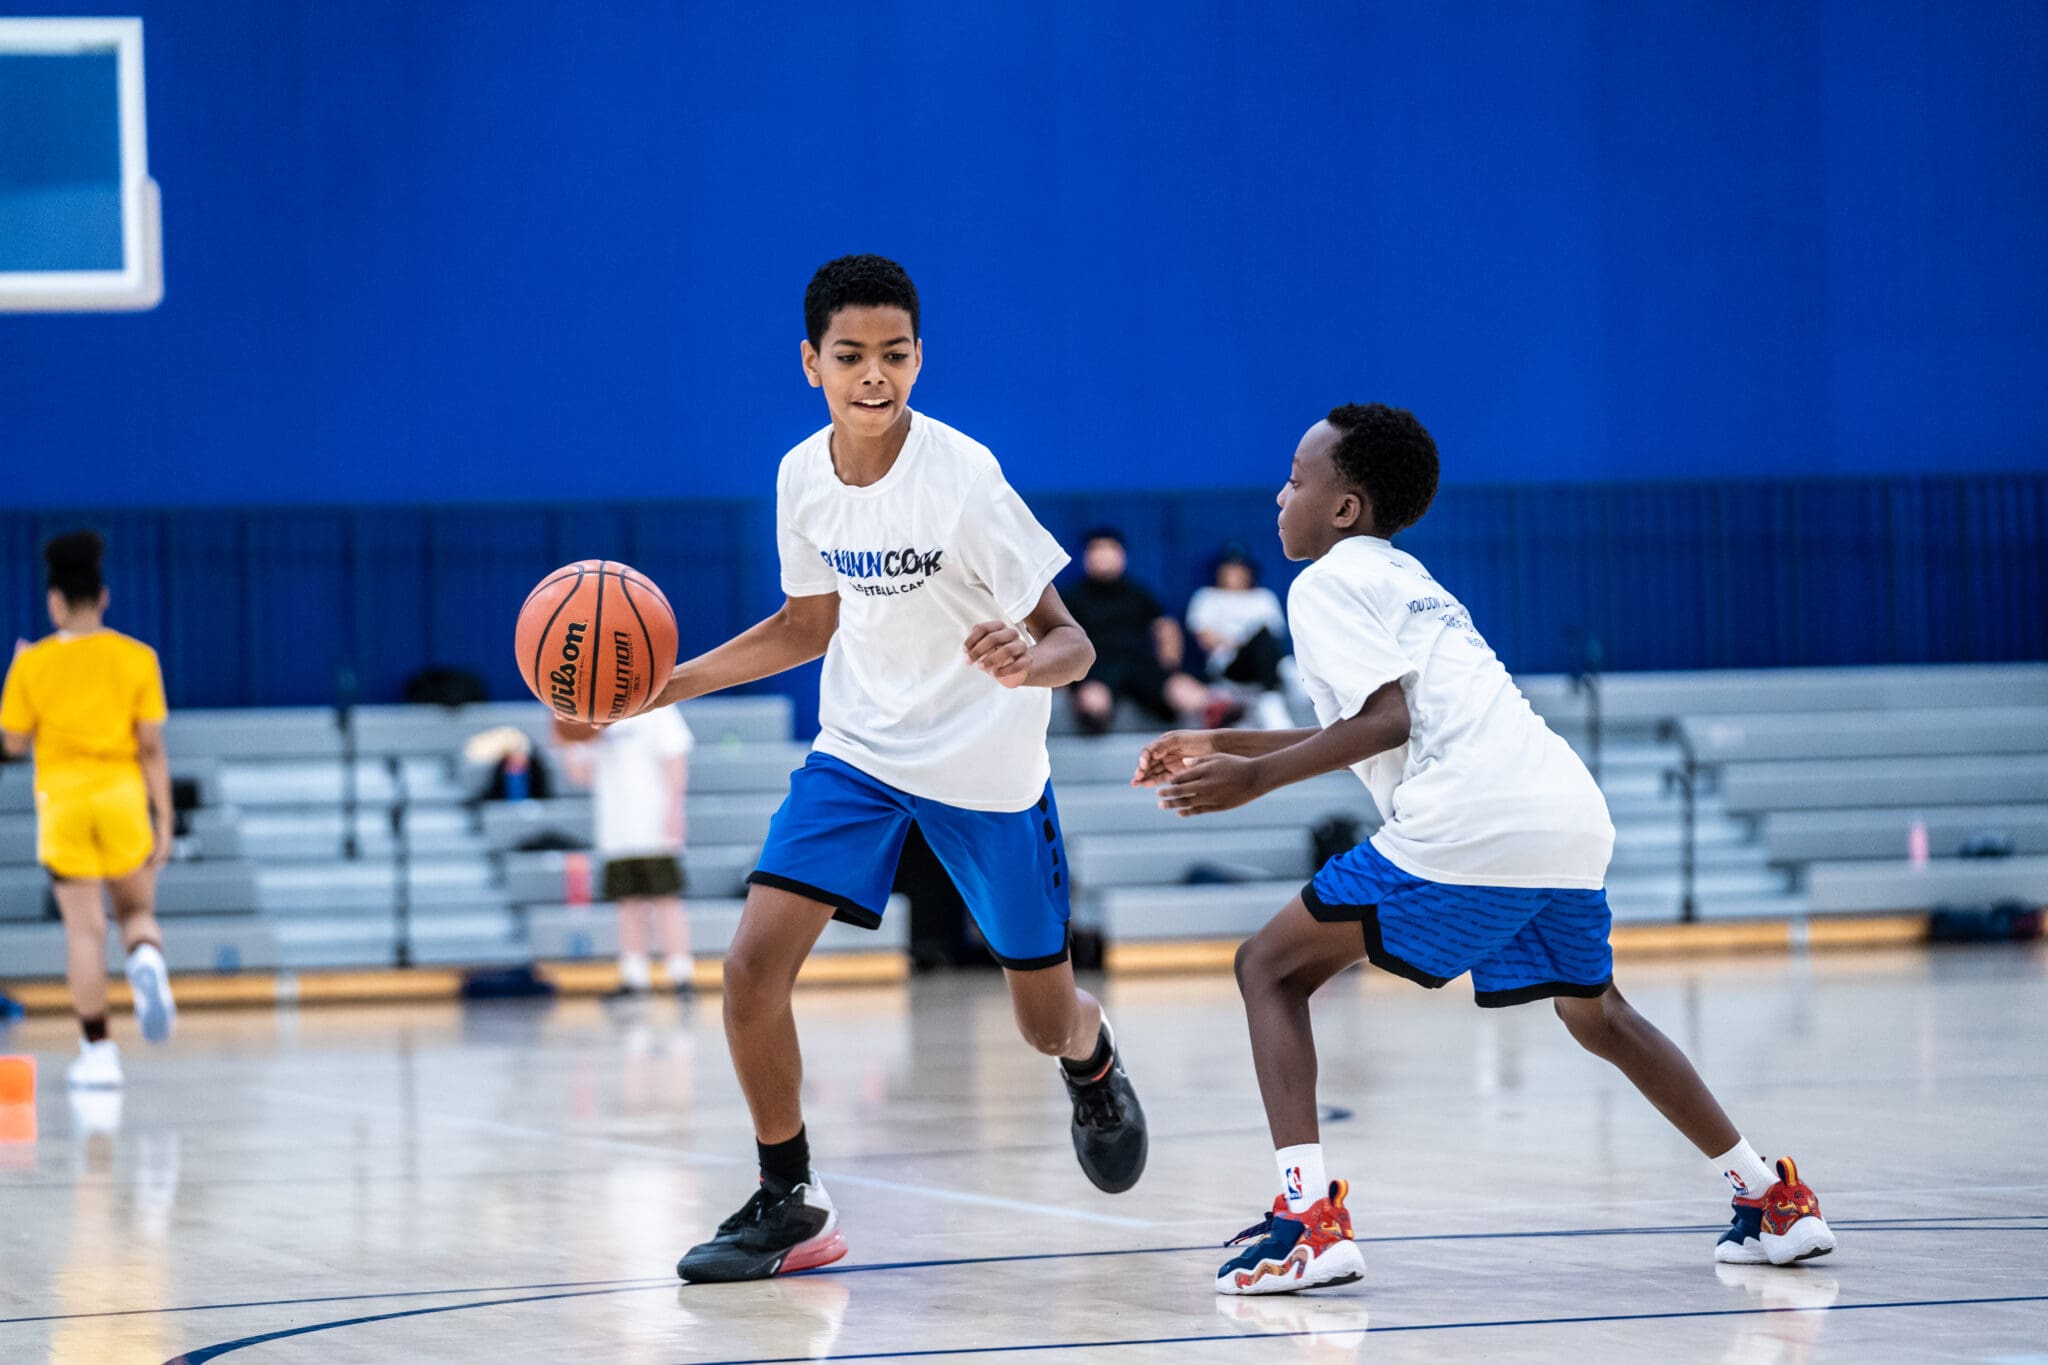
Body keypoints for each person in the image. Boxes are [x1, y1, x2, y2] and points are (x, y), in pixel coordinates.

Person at [1133, 404, 1835, 1296]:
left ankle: (1306, 1219)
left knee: (1269, 967)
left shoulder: (1323, 585)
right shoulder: (1405, 575)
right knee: (1600, 1014)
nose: (1280, 494)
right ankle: (1772, 1197)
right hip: (1564, 809)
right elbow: (1375, 725)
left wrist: (1252, 781)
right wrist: (1218, 746)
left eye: (1297, 479)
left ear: (1344, 508)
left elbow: (1382, 720)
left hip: (1473, 814)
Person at [643, 255, 1147, 1283]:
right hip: (861, 752)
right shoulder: (798, 477)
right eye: (850, 356)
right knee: (748, 972)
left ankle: (1090, 1060)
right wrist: (668, 684)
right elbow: (804, 625)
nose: (874, 374)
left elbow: (1072, 644)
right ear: (809, 363)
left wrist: (1027, 660)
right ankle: (788, 1198)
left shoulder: (962, 475)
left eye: (895, 353)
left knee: (1040, 1020)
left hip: (984, 769)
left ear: (919, 356)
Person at [0, 532, 178, 1089]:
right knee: (135, 914)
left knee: (84, 931)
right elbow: (150, 747)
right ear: (103, 597)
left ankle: (98, 1052)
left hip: (64, 805)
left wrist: (19, 669)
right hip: (123, 798)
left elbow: (12, 744)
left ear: (54, 602)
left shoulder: (34, 665)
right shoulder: (137, 658)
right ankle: (146, 960)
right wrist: (165, 818)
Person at [554, 709, 696, 998]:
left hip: (654, 822)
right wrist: (565, 739)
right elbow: (582, 775)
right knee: (627, 903)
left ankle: (681, 975)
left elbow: (675, 758)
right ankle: (634, 977)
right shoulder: (590, 712)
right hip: (616, 828)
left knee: (666, 899)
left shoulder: (657, 708)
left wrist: (675, 809)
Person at [1065, 528, 1238, 734]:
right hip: (1095, 665)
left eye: (1110, 549)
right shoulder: (1071, 597)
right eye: (1097, 550)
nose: (1103, 556)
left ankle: (1215, 709)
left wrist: (1169, 665)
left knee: (1175, 687)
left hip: (1139, 662)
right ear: (1086, 557)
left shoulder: (1139, 594)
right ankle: (1094, 720)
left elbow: (1165, 627)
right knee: (1093, 699)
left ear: (1122, 556)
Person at [1186, 543, 1294, 729]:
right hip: (1229, 665)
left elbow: (1273, 637)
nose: (1235, 574)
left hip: (1262, 663)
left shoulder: (1263, 597)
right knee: (1261, 641)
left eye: (1240, 569)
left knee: (1265, 642)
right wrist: (1241, 643)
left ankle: (1272, 695)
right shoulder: (1207, 597)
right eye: (1229, 569)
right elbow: (1204, 637)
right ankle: (1273, 696)